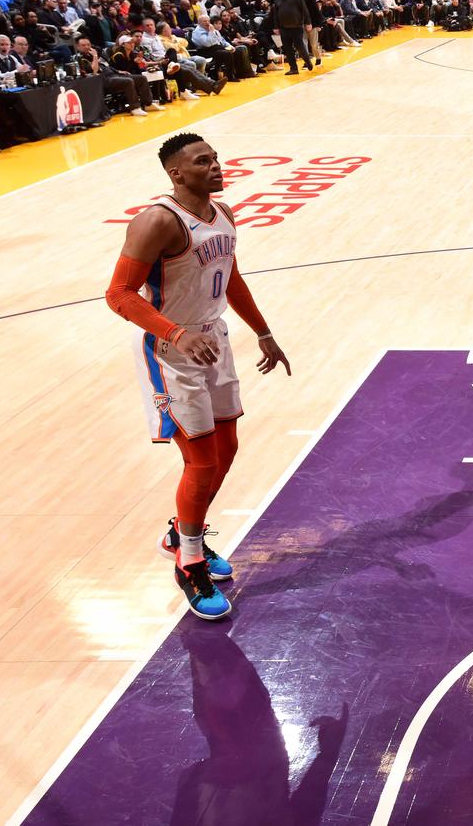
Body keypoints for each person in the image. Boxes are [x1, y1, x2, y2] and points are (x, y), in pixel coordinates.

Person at [104, 133, 291, 621]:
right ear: (176, 173)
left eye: (215, 158)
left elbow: (231, 278)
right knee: (202, 461)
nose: (215, 166)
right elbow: (119, 294)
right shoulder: (156, 221)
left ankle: (181, 533)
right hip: (170, 349)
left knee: (226, 451)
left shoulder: (223, 213)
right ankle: (188, 562)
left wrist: (263, 332)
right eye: (202, 161)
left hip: (213, 339)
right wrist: (177, 335)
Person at [270, 0, 312, 75]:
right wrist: (276, 26)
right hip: (284, 28)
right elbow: (275, 13)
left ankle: (307, 61)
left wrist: (308, 22)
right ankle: (293, 68)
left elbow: (304, 9)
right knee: (287, 49)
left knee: (299, 46)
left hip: (296, 26)